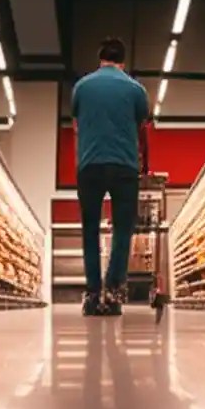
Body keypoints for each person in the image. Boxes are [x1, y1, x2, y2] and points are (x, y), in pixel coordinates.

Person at [72, 37, 149, 316]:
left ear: (100, 58)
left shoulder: (81, 87)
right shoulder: (135, 89)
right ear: (123, 61)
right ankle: (114, 291)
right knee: (122, 229)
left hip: (89, 165)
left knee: (90, 230)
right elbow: (142, 129)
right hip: (124, 166)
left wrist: (80, 164)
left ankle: (93, 294)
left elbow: (77, 128)